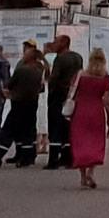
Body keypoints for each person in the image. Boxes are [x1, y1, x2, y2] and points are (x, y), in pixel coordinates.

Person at [0, 45, 44, 168]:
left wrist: (6, 90)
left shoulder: (22, 70)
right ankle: (27, 157)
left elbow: (10, 84)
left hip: (18, 103)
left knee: (8, 130)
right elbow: (41, 87)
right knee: (28, 131)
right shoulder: (39, 70)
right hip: (32, 103)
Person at [69, 49, 109, 190]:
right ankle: (91, 171)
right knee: (95, 141)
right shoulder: (105, 77)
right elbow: (106, 100)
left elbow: (72, 93)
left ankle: (82, 176)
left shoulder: (81, 75)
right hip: (96, 112)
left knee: (80, 141)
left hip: (80, 111)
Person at [46, 36, 82, 170]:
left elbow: (54, 78)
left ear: (64, 43)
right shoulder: (78, 57)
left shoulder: (60, 58)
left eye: (56, 42)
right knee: (67, 127)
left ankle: (53, 159)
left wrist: (50, 86)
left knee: (55, 126)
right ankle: (69, 158)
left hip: (59, 94)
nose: (54, 44)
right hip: (72, 95)